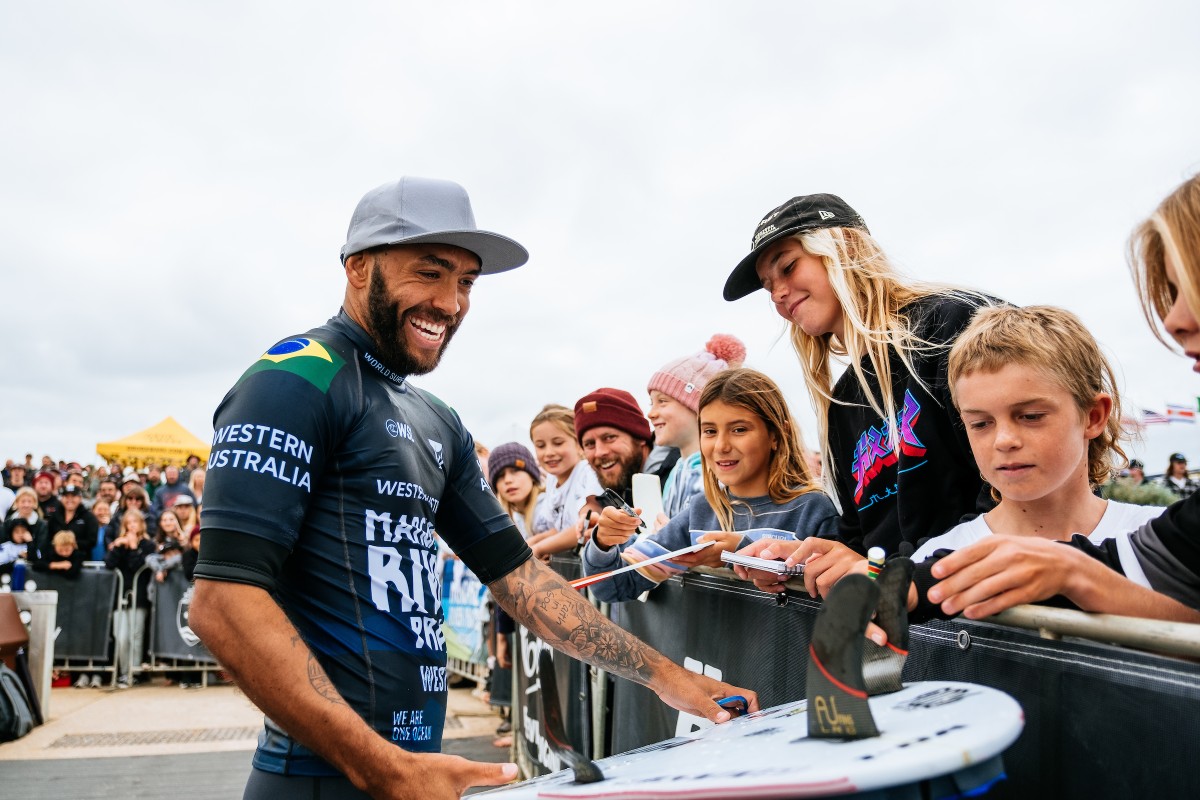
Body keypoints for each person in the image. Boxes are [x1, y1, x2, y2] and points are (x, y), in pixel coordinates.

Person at [188, 176, 756, 800]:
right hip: (323, 778)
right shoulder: (295, 378)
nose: (451, 303)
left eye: (464, 283)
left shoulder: (437, 419)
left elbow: (524, 583)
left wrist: (669, 677)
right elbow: (222, 602)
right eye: (429, 274)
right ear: (358, 268)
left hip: (416, 770)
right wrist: (382, 767)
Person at [723, 193, 997, 598]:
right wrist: (812, 560)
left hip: (999, 626)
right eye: (768, 286)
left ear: (844, 248)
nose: (778, 293)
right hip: (905, 631)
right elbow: (864, 540)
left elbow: (1019, 499)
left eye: (788, 266)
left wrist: (904, 575)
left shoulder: (955, 324)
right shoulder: (842, 401)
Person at [584, 368, 839, 602]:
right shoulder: (699, 514)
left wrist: (735, 555)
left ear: (775, 435)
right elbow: (613, 586)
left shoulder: (812, 509)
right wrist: (603, 542)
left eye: (739, 429)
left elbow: (837, 591)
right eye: (709, 431)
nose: (721, 446)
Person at [647, 334, 746, 520]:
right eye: (650, 403)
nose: (651, 413)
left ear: (697, 408)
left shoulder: (712, 473)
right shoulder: (678, 468)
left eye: (662, 402)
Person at [575, 387, 677, 511]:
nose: (600, 452)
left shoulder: (679, 477)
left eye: (609, 438)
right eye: (589, 444)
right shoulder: (616, 491)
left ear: (640, 438)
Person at [528, 404, 603, 559]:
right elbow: (559, 530)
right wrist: (529, 545)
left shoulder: (586, 471)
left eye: (558, 443)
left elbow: (588, 522)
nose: (549, 452)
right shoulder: (551, 481)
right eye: (540, 446)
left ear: (578, 443)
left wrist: (540, 548)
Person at [105, 508, 156, 688]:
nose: (132, 526)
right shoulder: (121, 543)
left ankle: (135, 672)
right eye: (128, 523)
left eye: (135, 522)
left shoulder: (148, 545)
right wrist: (119, 546)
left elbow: (138, 566)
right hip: (120, 595)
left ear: (141, 525)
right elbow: (109, 563)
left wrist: (134, 547)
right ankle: (123, 671)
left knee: (136, 635)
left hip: (139, 595)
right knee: (120, 635)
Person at [49, 484, 99, 557]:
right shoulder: (54, 516)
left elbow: (92, 541)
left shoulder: (89, 517)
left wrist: (71, 544)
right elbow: (49, 537)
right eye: (66, 496)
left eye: (73, 496)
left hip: (81, 560)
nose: (70, 499)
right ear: (62, 498)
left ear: (80, 498)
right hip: (56, 559)